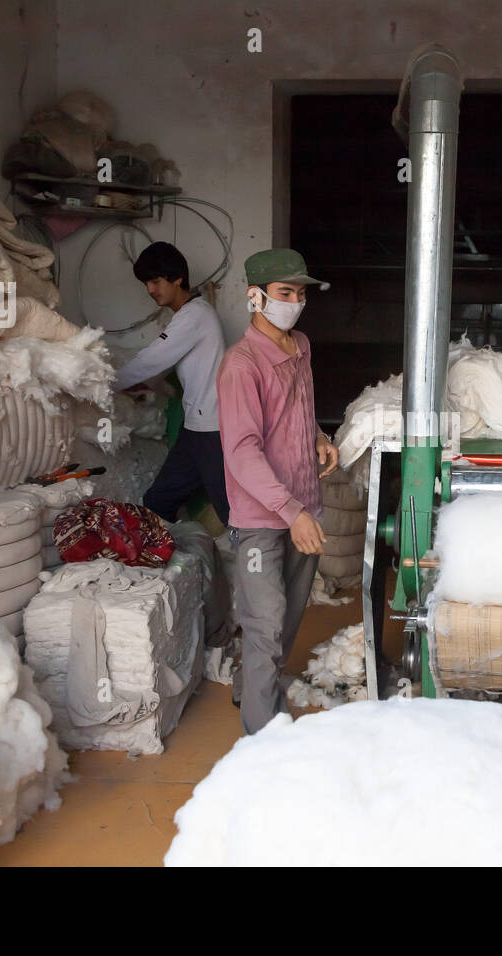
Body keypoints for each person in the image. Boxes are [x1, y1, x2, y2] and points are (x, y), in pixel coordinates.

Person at [216, 248, 338, 733]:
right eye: (285, 293)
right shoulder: (240, 365)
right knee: (265, 624)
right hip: (263, 518)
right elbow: (242, 451)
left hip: (304, 503)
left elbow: (296, 412)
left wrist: (317, 436)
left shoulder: (300, 346)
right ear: (256, 296)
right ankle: (264, 742)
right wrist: (291, 510)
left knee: (285, 620)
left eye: (301, 294)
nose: (295, 303)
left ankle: (250, 688)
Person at [111, 241, 230, 526]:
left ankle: (256, 563)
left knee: (233, 513)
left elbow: (150, 361)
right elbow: (157, 366)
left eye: (156, 281)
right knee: (159, 501)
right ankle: (157, 559)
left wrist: (102, 384)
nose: (150, 290)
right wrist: (140, 385)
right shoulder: (189, 315)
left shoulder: (194, 316)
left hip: (213, 431)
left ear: (178, 279)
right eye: (146, 283)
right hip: (196, 429)